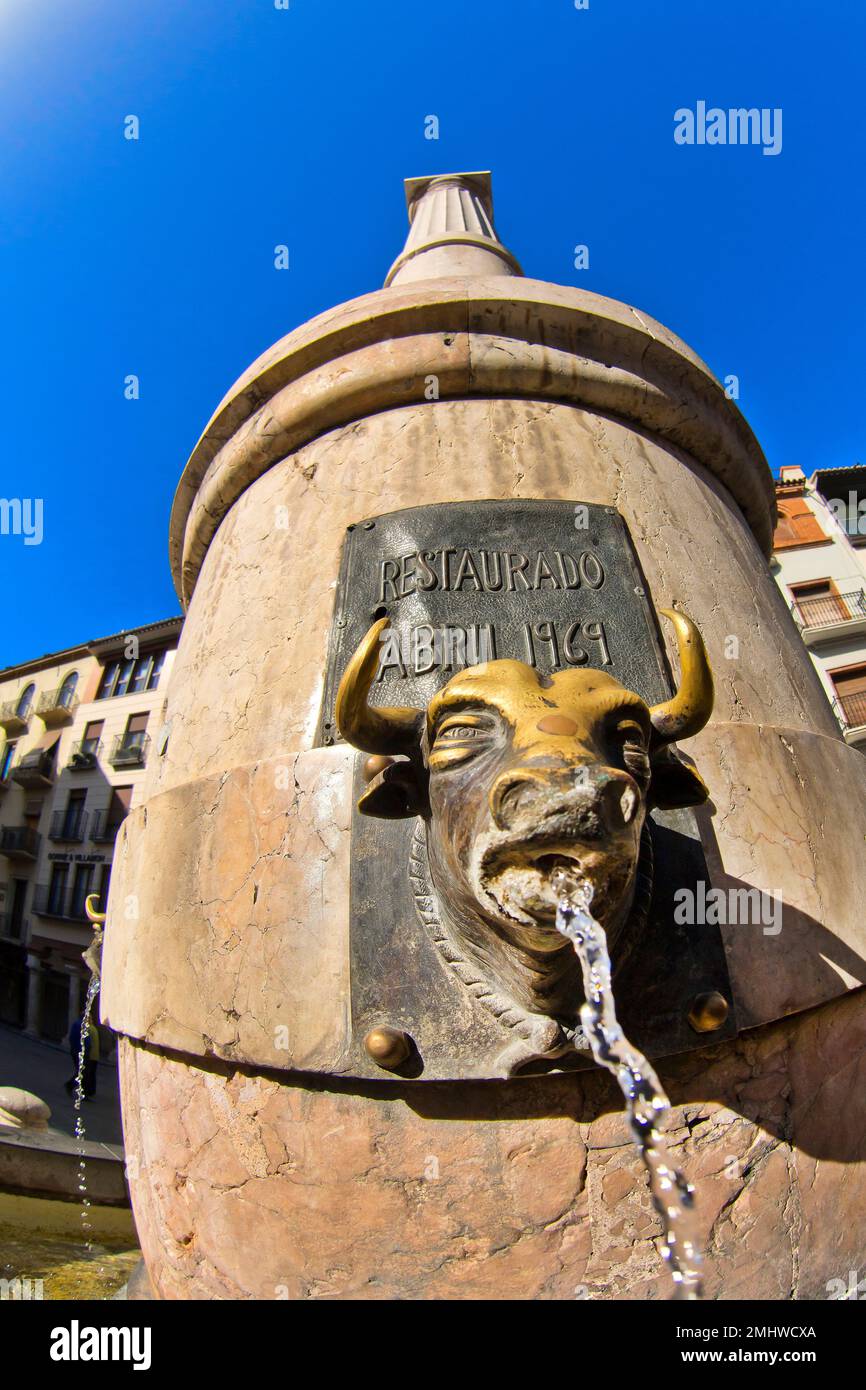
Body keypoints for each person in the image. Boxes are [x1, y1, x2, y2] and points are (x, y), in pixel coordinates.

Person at [64, 1010, 99, 1100]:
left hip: (78, 1051)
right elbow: (85, 1041)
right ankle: (71, 1085)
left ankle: (81, 1092)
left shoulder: (78, 1024)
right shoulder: (82, 1025)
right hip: (81, 1052)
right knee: (83, 1072)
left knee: (83, 1072)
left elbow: (73, 1038)